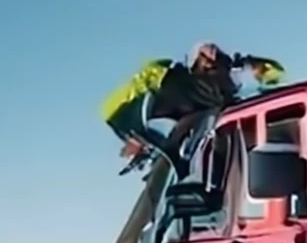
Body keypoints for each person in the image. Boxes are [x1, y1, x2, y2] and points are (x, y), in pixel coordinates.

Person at [99, 41, 284, 167]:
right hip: (189, 126)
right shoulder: (175, 86)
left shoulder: (228, 77)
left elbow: (274, 76)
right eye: (205, 59)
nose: (210, 59)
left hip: (210, 117)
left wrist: (248, 64)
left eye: (212, 58)